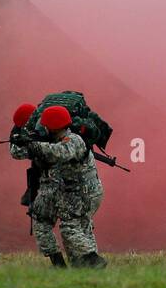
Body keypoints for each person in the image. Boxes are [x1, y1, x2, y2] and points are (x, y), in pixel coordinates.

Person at [11, 105, 106, 268]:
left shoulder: (74, 140)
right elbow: (17, 152)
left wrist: (34, 146)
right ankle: (61, 263)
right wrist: (19, 135)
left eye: (45, 125)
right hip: (59, 189)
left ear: (53, 127)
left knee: (71, 227)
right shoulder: (46, 140)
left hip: (83, 192)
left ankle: (92, 260)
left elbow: (60, 152)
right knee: (42, 220)